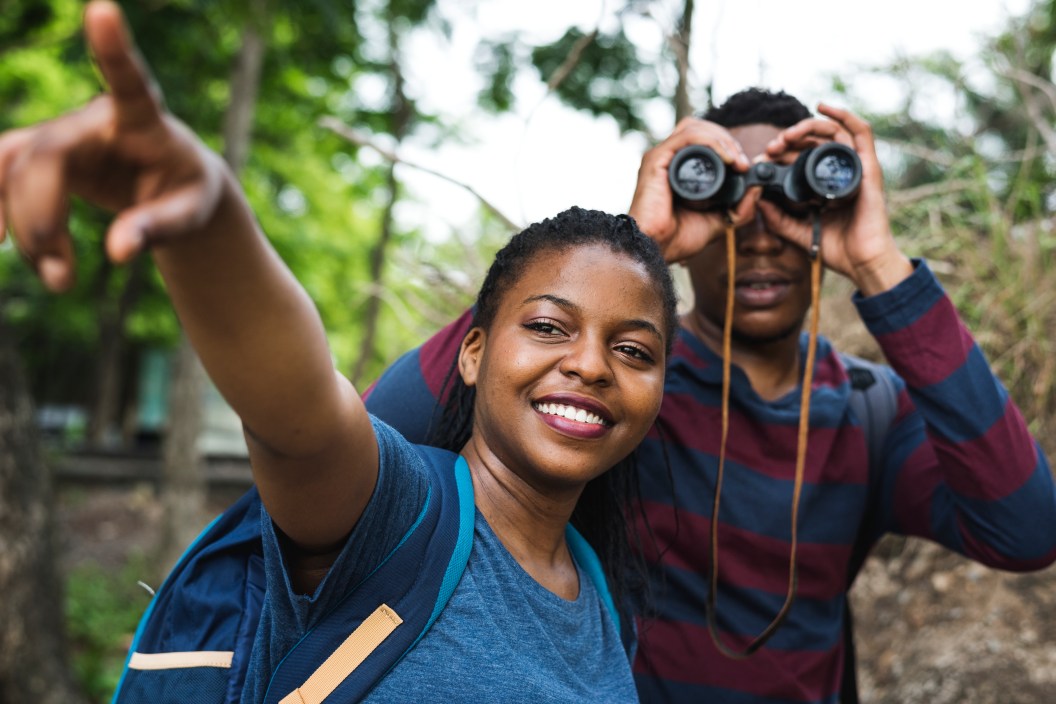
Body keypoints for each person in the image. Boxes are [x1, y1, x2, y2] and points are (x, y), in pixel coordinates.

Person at [0, 2, 683, 702]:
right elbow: (293, 407)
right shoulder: (391, 511)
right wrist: (207, 220)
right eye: (547, 327)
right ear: (472, 354)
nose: (593, 365)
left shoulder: (597, 591)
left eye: (633, 349)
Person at [363, 87, 1056, 703]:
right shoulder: (622, 391)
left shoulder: (869, 410)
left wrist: (879, 263)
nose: (760, 242)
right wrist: (637, 247)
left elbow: (1027, 531)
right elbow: (381, 435)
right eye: (733, 203)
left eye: (790, 202)